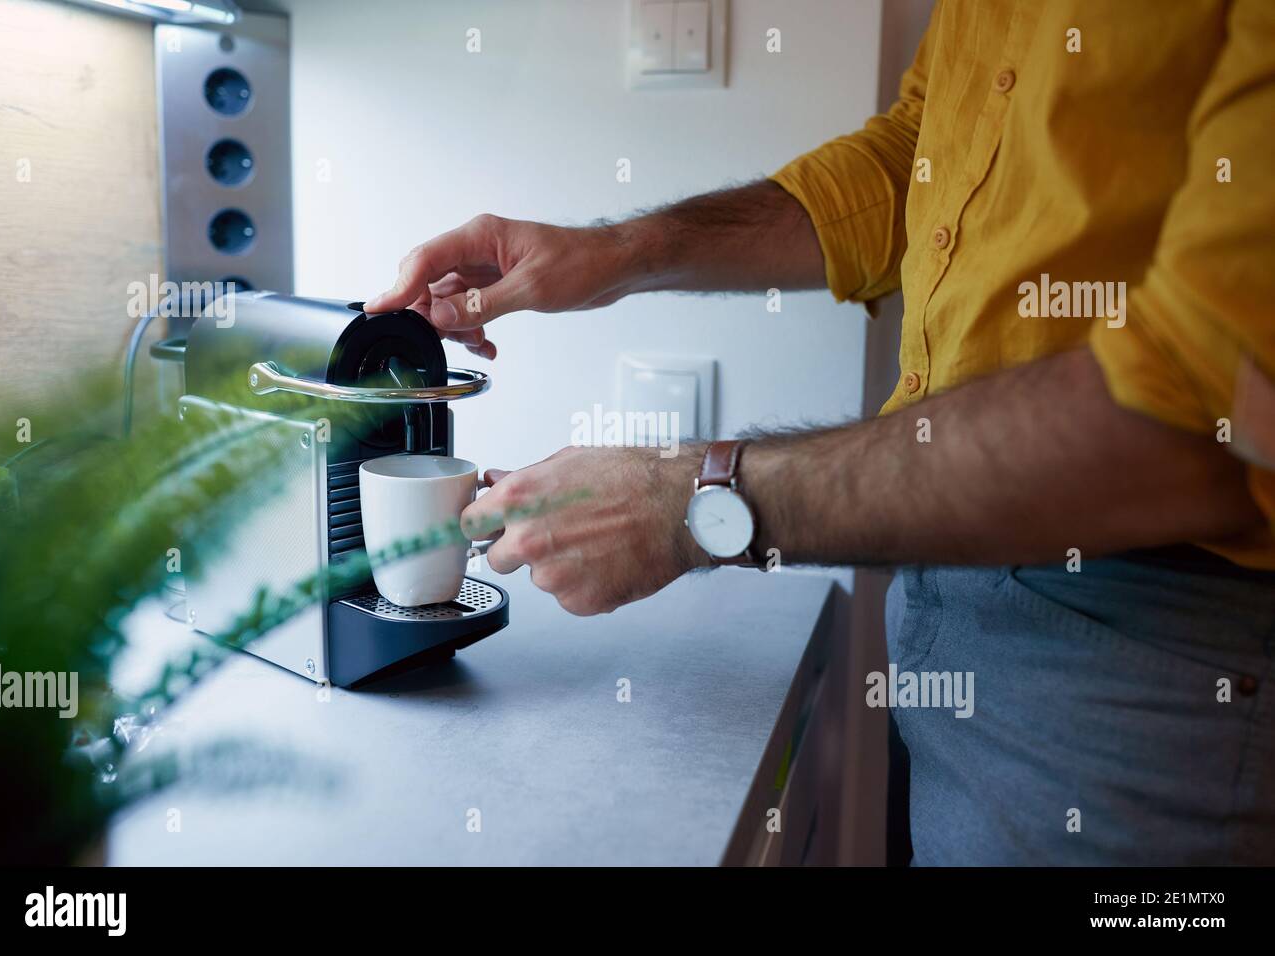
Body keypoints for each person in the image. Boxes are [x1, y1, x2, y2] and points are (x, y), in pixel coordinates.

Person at [364, 1, 1275, 864]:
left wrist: (697, 501)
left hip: (1161, 660)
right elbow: (917, 156)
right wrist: (617, 256)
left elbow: (1204, 414)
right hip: (960, 591)